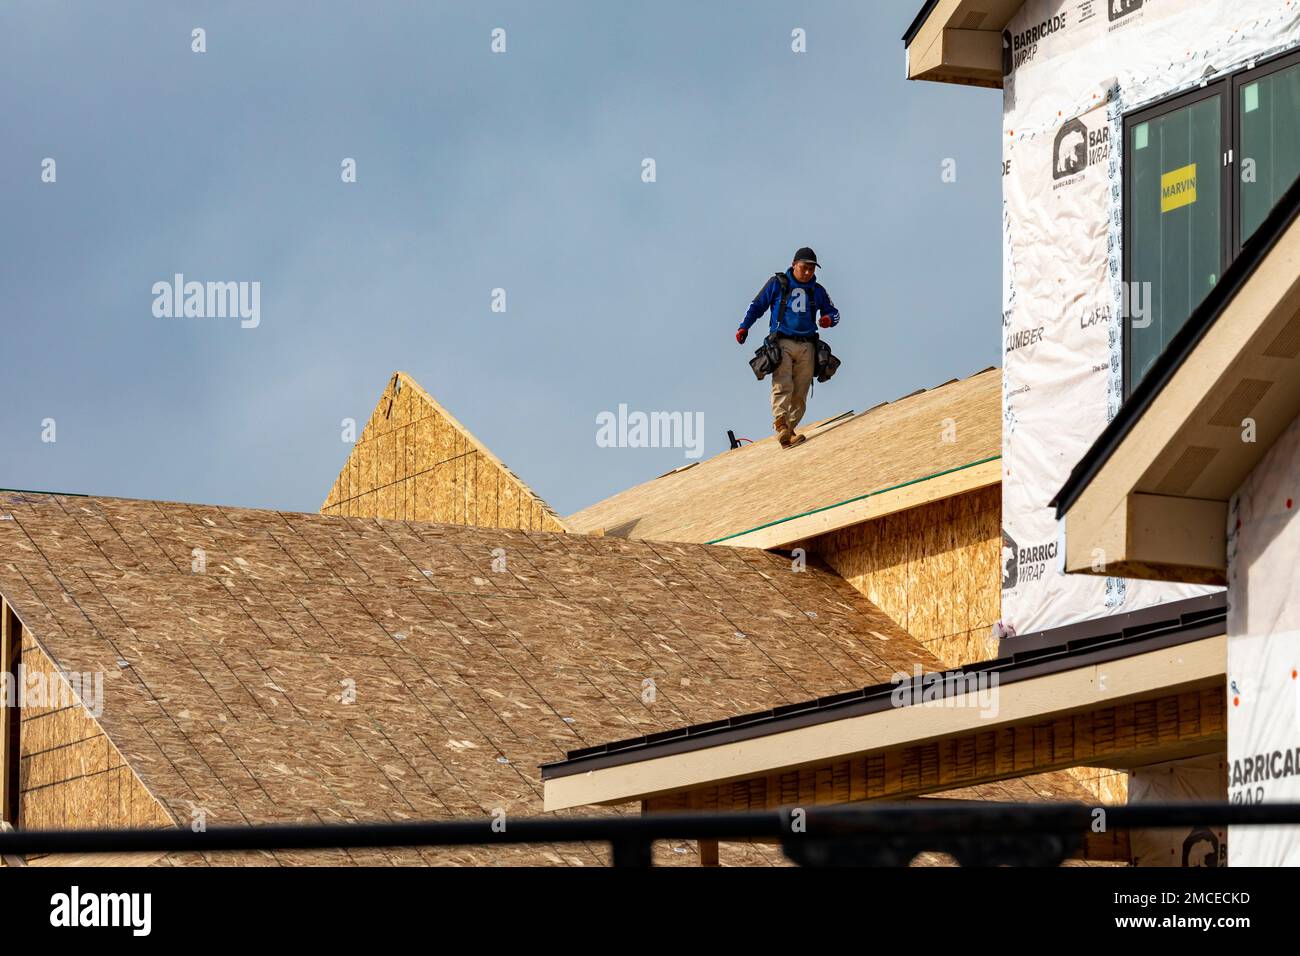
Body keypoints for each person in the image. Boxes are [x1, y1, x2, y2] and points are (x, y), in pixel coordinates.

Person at [736, 247, 840, 448]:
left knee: (800, 391)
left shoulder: (817, 291)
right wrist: (743, 327)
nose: (808, 272)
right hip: (782, 342)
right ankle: (781, 422)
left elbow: (835, 313)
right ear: (794, 265)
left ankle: (788, 431)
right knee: (782, 383)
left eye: (812, 268)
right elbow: (756, 306)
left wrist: (827, 319)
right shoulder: (778, 284)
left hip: (808, 345)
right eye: (804, 267)